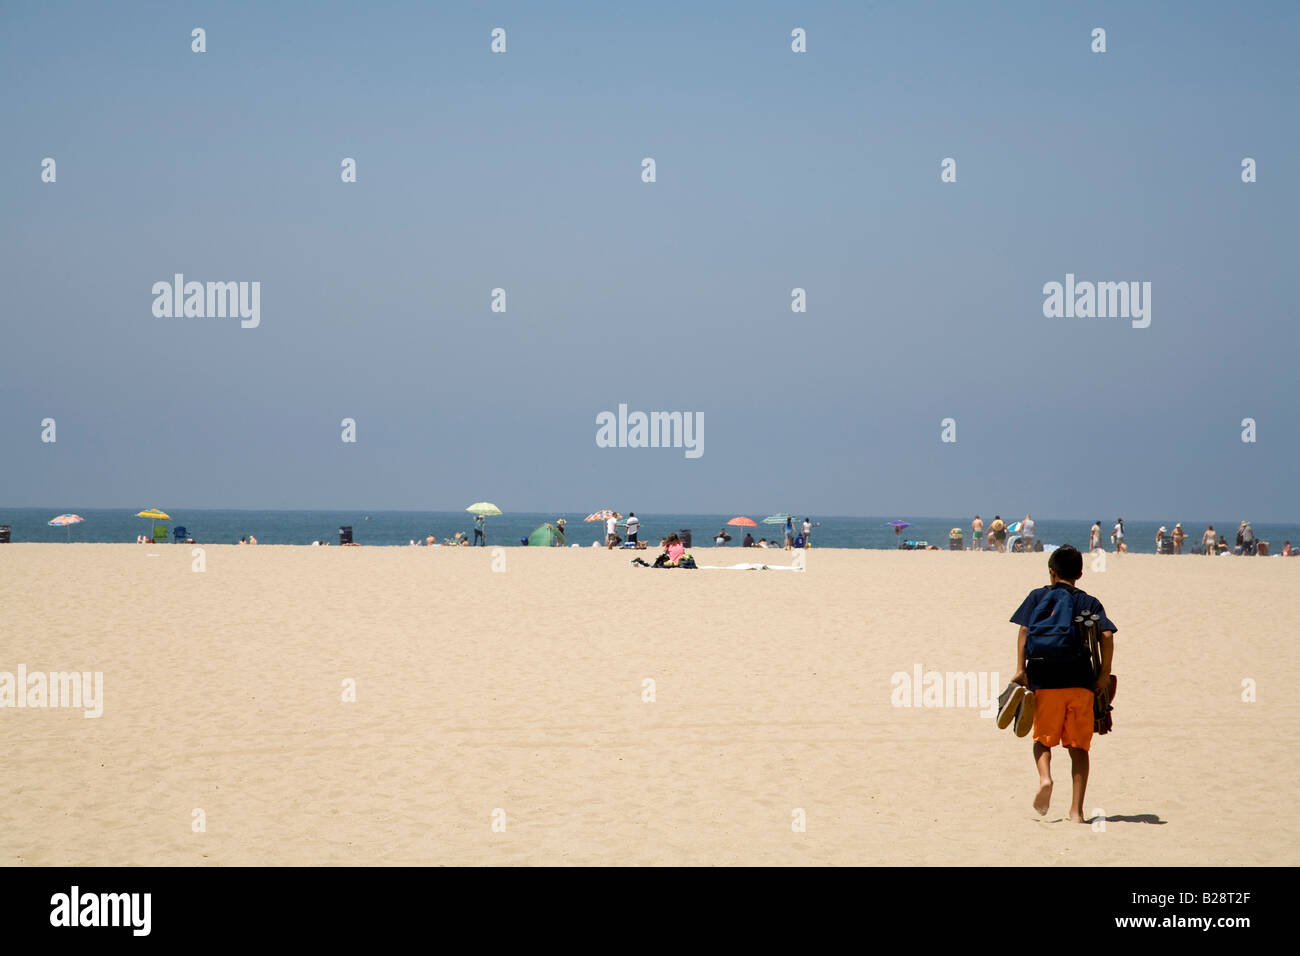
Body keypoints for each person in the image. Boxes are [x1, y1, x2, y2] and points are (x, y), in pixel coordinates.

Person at [1009, 545, 1116, 823]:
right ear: (1080, 574)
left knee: (1042, 740)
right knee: (1079, 748)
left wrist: (1021, 670)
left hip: (1044, 680)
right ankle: (1077, 812)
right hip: (1081, 682)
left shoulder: (1037, 596)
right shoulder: (1088, 602)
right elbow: (1106, 634)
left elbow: (1023, 630)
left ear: (1052, 572)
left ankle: (1045, 779)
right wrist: (1104, 673)